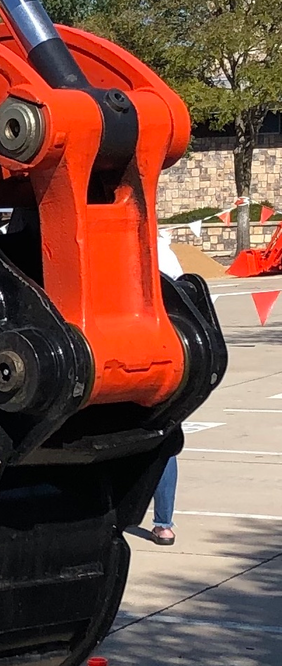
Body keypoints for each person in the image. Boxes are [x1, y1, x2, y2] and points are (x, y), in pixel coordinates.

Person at [146, 226, 183, 546]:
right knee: (164, 438)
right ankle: (164, 524)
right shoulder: (164, 253)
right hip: (169, 351)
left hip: (131, 352)